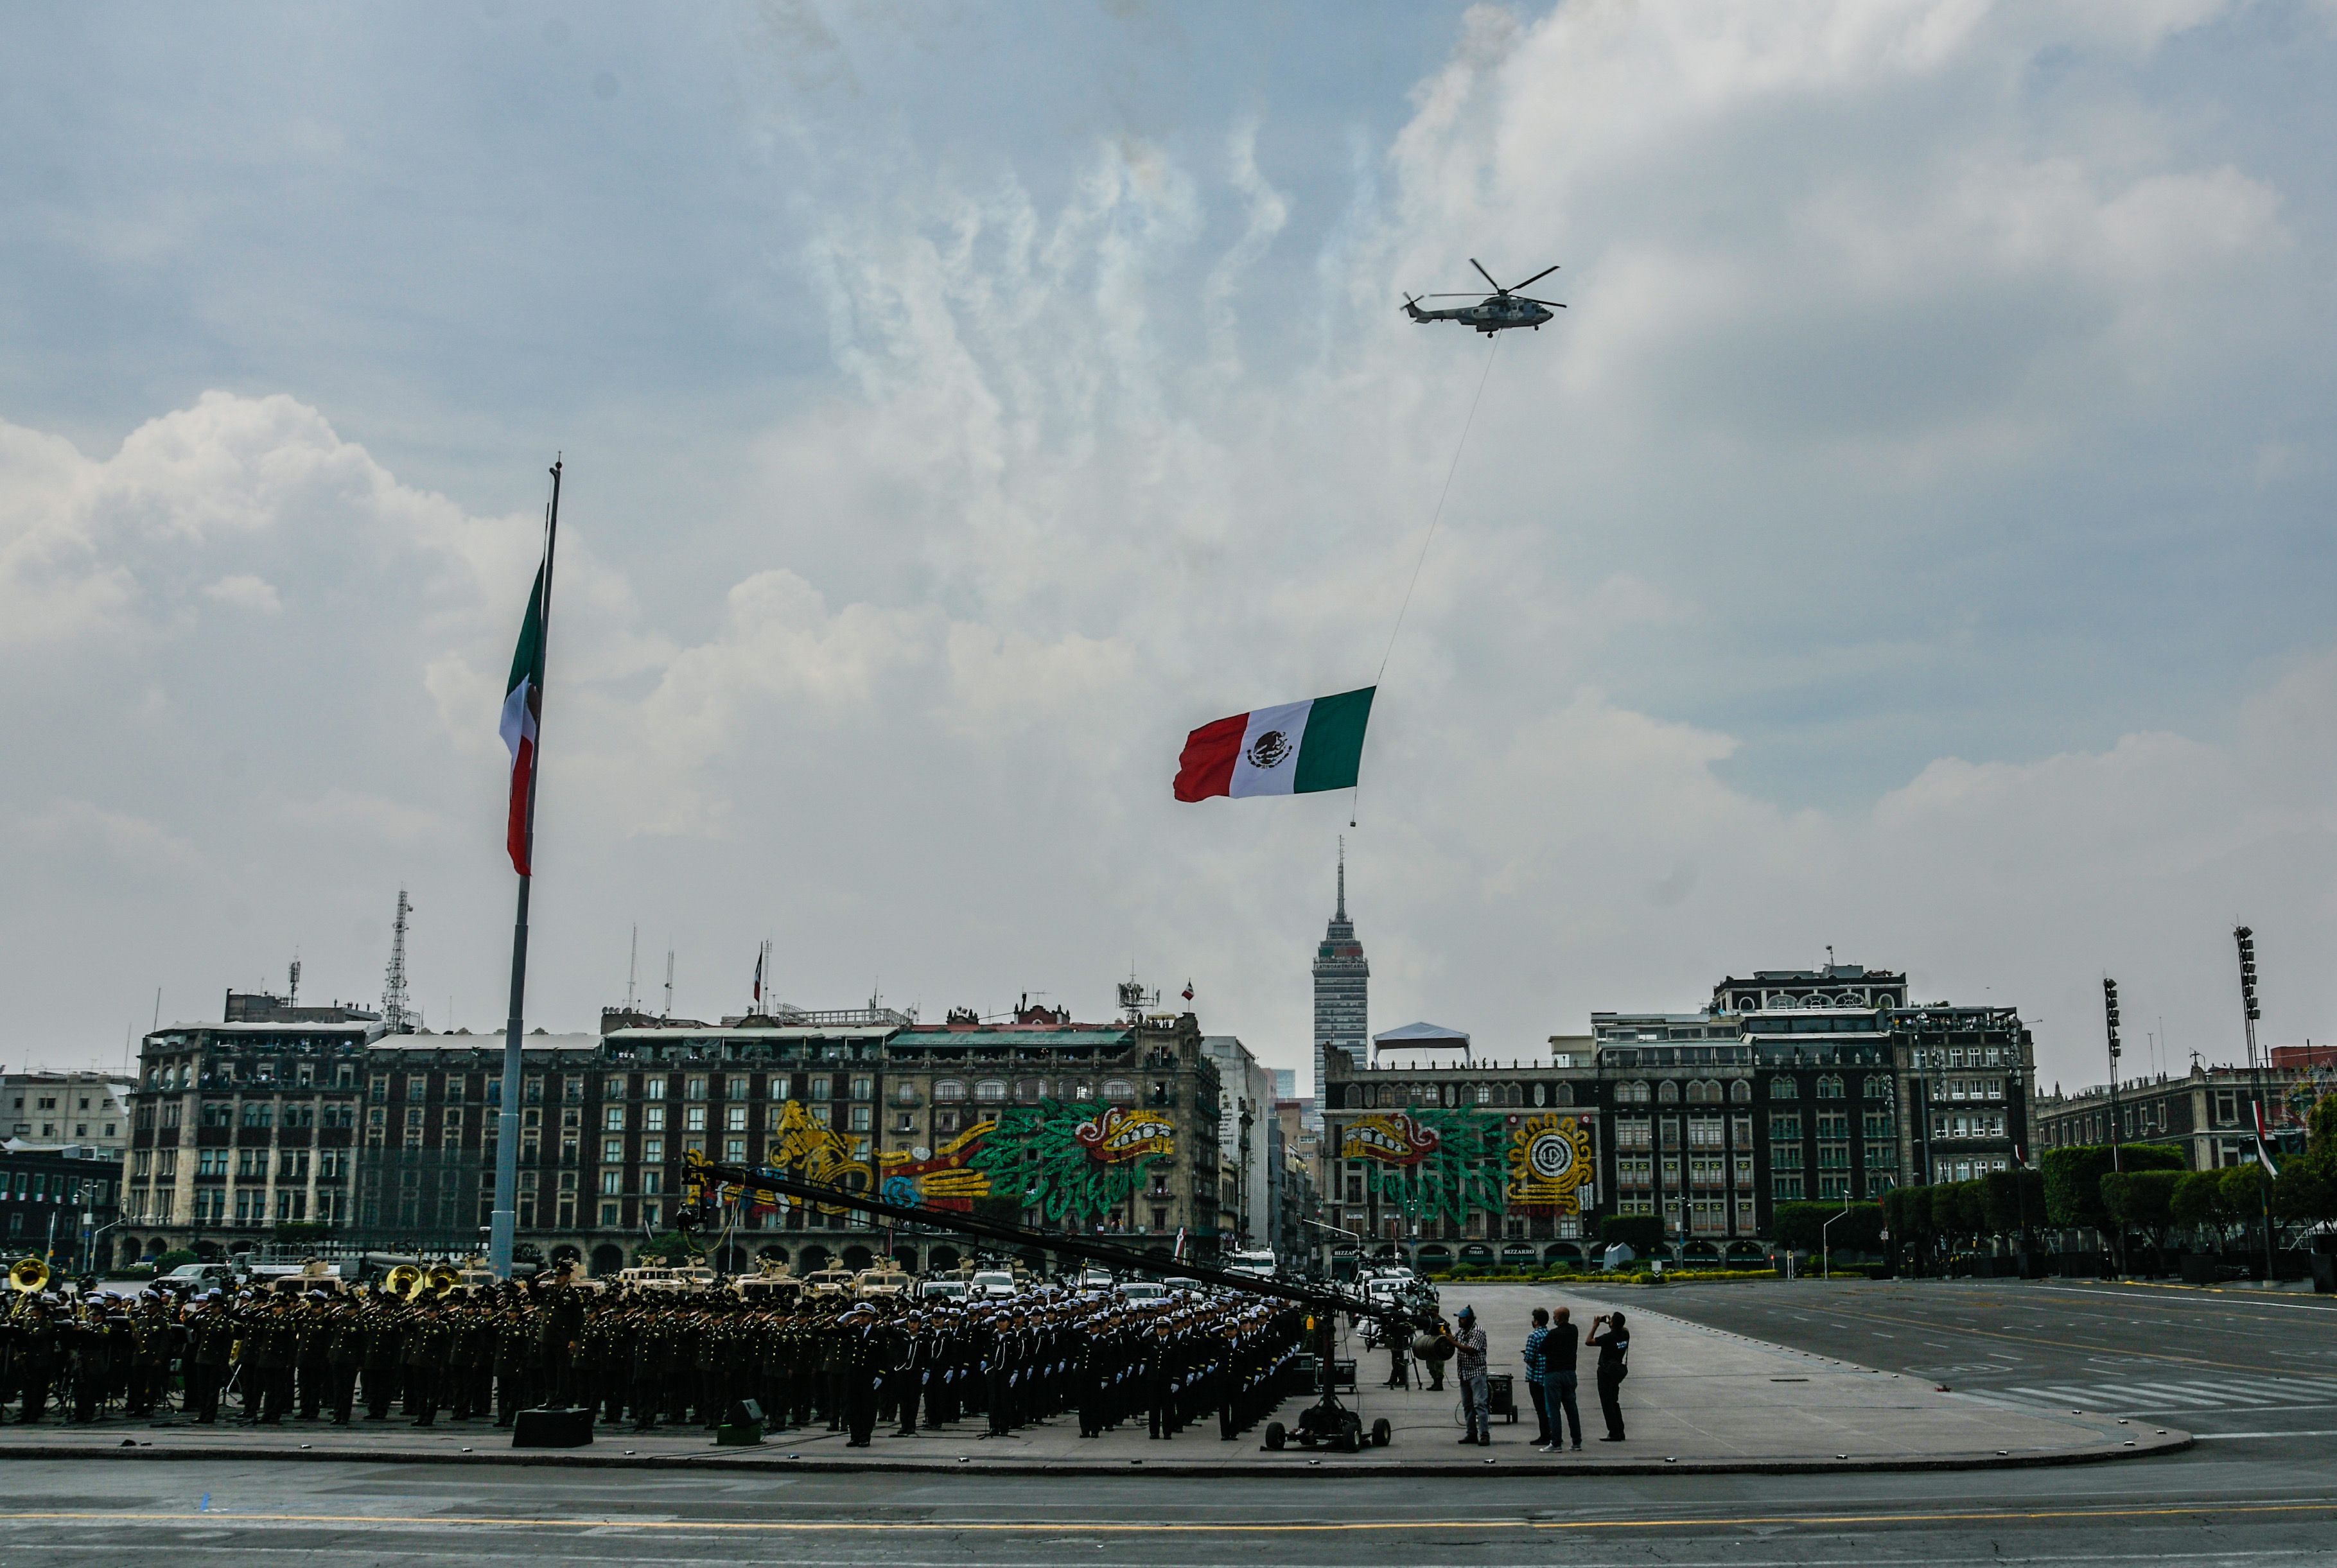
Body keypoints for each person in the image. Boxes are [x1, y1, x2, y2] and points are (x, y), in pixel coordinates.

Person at [1538, 1305, 1582, 1452]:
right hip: (1570, 1373)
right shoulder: (1574, 1330)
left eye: (1555, 1315)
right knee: (1572, 1409)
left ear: (1558, 1318)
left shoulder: (1553, 1334)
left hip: (1554, 1374)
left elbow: (1542, 1349)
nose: (1553, 1318)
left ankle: (1556, 1443)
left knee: (1554, 1409)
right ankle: (1576, 1442)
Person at [1587, 1309, 1629, 1442]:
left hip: (1606, 1372)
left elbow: (1589, 1341)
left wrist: (1595, 1325)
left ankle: (1614, 1432)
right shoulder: (1625, 1334)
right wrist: (1610, 1322)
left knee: (1607, 1403)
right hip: (1617, 1371)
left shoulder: (1608, 1338)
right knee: (1614, 1401)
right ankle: (1620, 1430)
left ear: (1612, 1324)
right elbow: (1622, 1327)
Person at [1451, 1304, 1490, 1447]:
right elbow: (1452, 1341)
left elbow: (1471, 1350)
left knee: (1480, 1404)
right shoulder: (1461, 1332)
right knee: (1467, 1405)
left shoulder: (1478, 1331)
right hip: (1464, 1374)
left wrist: (1453, 1342)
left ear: (1469, 1319)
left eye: (1462, 1319)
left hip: (1477, 1373)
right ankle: (1471, 1433)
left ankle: (1484, 1435)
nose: (1459, 1321)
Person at [1521, 1307, 1551, 1447]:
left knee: (1540, 1409)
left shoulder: (1533, 1336)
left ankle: (1545, 1435)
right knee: (1550, 1407)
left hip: (1536, 1377)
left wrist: (1526, 1355)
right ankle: (1554, 1433)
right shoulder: (1550, 1334)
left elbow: (1530, 1358)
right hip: (1548, 1375)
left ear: (1536, 1321)